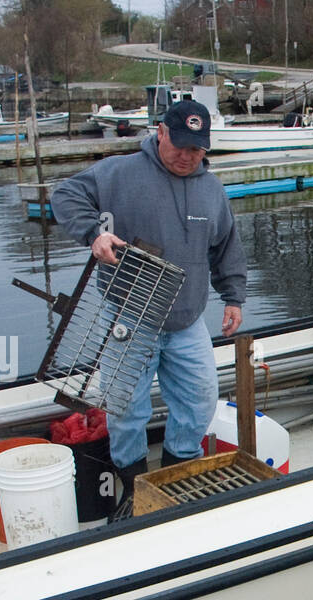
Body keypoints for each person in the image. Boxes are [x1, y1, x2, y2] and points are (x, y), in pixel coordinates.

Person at [51, 99, 247, 506]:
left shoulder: (212, 189)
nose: (186, 156)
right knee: (126, 411)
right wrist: (94, 234)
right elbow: (65, 194)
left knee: (200, 401)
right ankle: (133, 492)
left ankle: (175, 478)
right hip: (128, 314)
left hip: (187, 319)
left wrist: (233, 297)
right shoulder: (120, 172)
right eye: (179, 145)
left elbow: (226, 244)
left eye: (196, 149)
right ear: (160, 133)